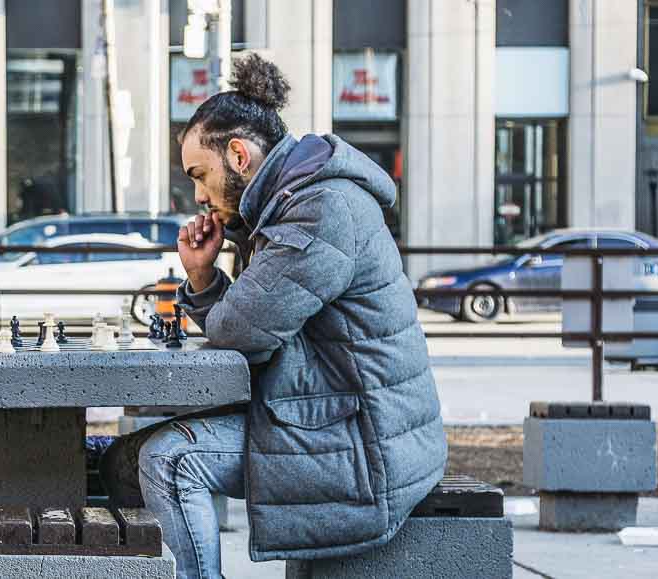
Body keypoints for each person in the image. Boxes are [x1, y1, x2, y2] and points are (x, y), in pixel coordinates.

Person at [99, 54, 447, 578]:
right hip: (332, 414)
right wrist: (203, 275)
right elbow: (252, 324)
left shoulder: (321, 209)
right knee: (121, 461)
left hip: (365, 443)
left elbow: (242, 332)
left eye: (200, 175)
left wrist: (206, 280)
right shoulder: (287, 207)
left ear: (238, 155)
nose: (198, 196)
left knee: (167, 460)